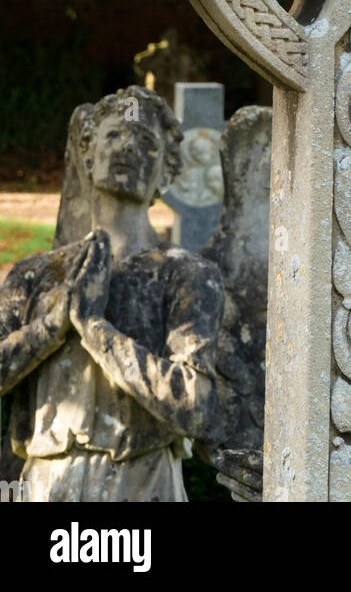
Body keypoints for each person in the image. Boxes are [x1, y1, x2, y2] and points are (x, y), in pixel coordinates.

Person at [0, 86, 223, 502]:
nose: (127, 149)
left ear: (167, 172)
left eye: (146, 142)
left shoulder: (187, 274)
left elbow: (194, 404)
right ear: (88, 153)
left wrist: (96, 330)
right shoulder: (37, 274)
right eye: (114, 135)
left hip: (145, 477)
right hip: (47, 481)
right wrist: (53, 326)